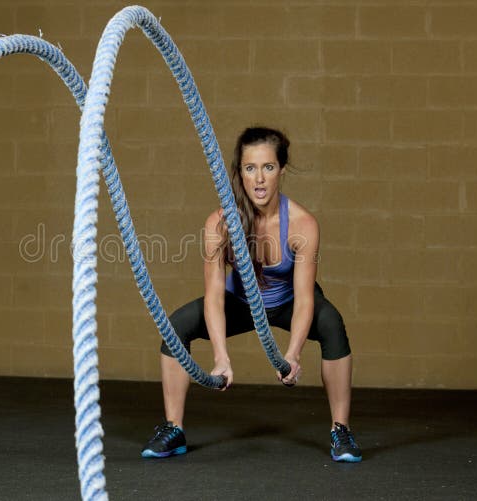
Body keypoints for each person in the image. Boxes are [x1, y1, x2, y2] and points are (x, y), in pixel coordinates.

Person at [141, 126, 362, 462]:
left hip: (288, 303)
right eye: (250, 168)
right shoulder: (220, 224)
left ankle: (340, 430)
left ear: (281, 170)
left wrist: (293, 354)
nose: (259, 179)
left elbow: (304, 298)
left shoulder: (303, 225)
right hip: (241, 303)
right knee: (176, 326)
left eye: (268, 167)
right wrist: (221, 357)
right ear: (239, 172)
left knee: (331, 323)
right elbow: (214, 296)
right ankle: (173, 428)